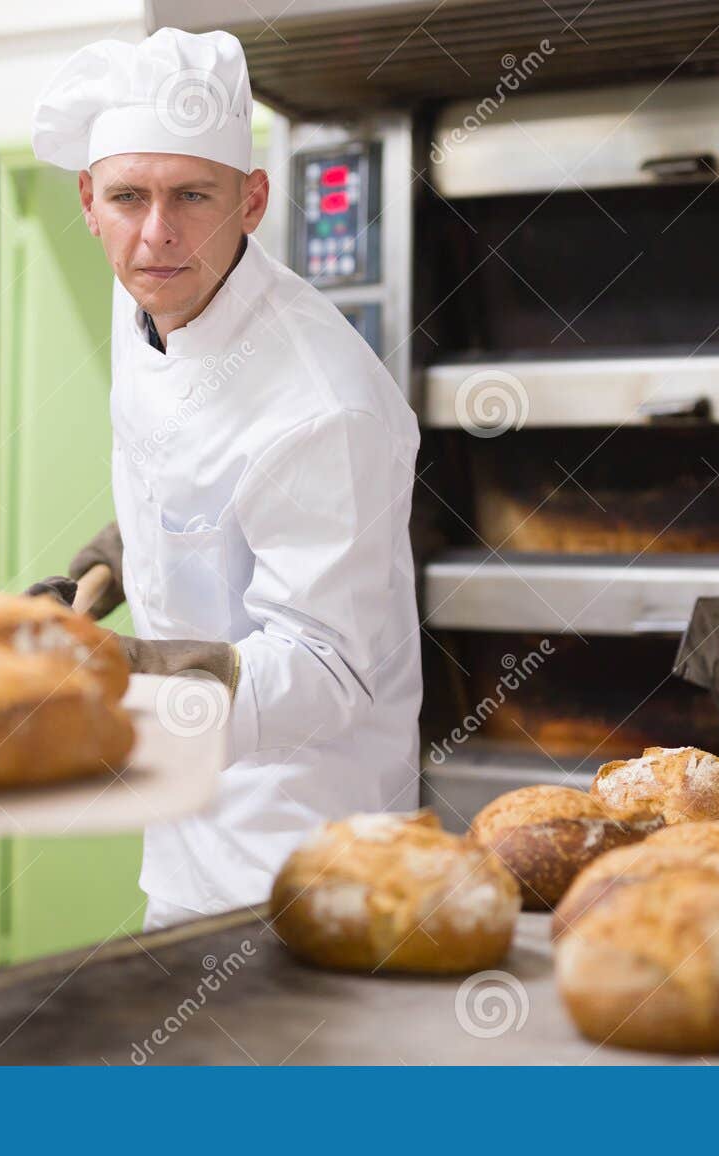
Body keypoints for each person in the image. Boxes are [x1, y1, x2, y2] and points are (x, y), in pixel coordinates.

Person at [28, 27, 422, 931]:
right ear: (89, 202)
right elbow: (184, 486)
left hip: (305, 854)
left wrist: (106, 675)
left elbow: (327, 671)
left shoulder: (325, 402)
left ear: (250, 200)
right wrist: (91, 579)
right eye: (128, 197)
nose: (157, 233)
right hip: (181, 831)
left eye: (191, 196)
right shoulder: (149, 292)